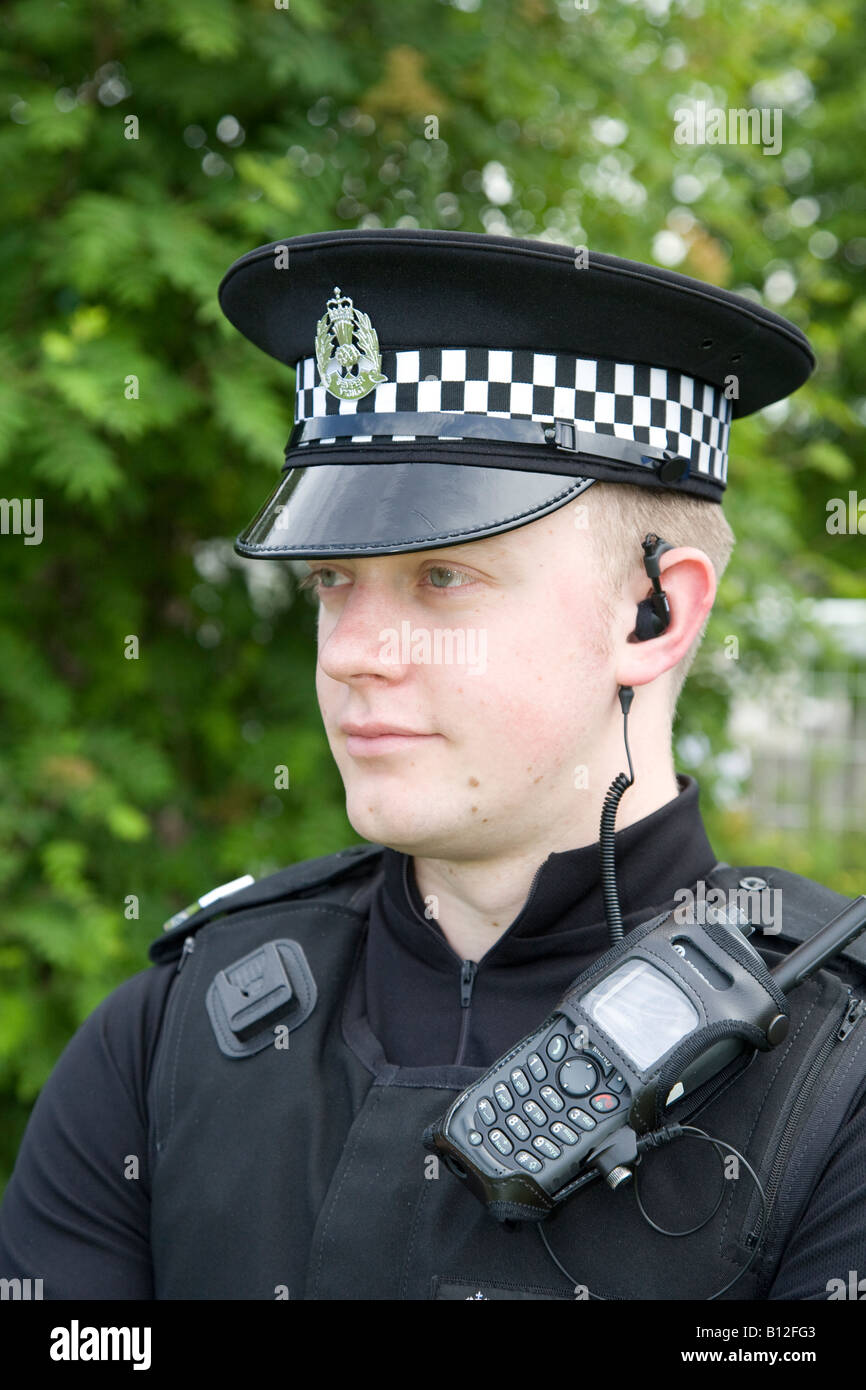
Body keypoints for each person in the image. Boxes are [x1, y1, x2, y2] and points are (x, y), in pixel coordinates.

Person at [1, 228, 864, 1301]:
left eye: (440, 576)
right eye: (332, 580)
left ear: (651, 612)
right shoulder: (165, 1039)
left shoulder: (840, 1079)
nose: (353, 652)